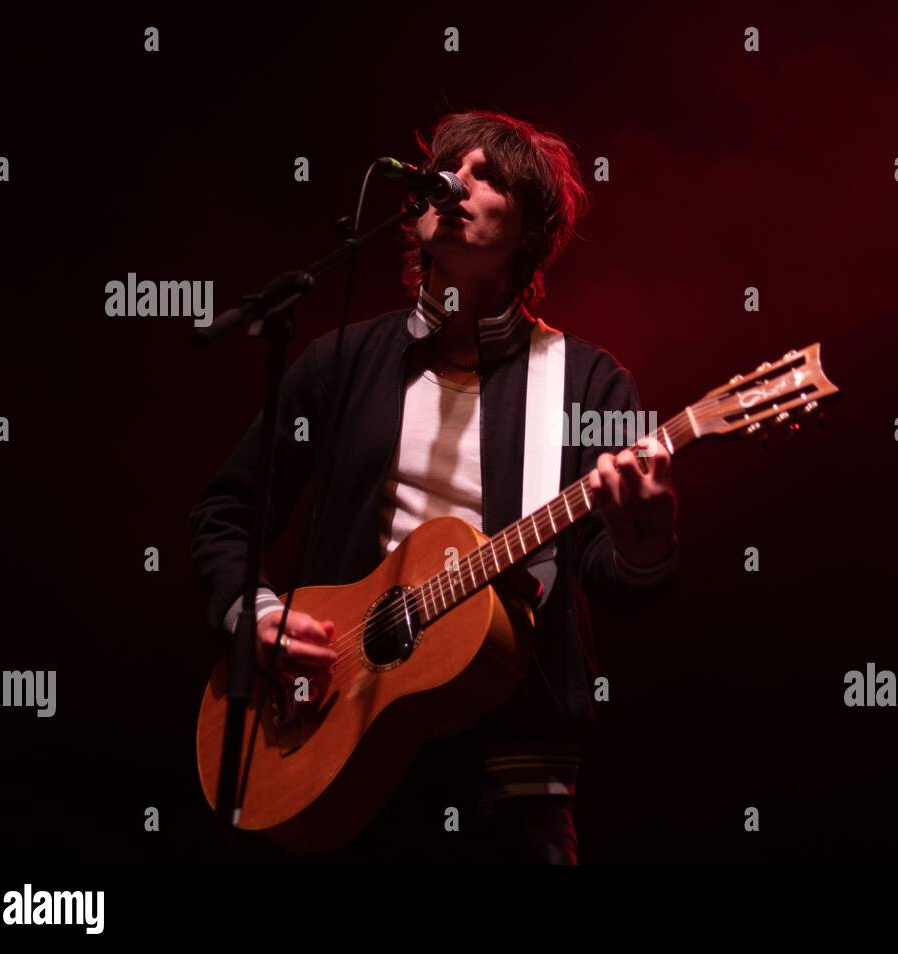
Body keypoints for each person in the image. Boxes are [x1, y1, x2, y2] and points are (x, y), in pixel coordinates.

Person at [189, 110, 679, 863]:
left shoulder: (586, 383)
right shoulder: (340, 361)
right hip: (335, 732)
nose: (458, 182)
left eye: (488, 177)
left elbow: (617, 584)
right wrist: (256, 616)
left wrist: (644, 539)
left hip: (511, 766)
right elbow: (227, 511)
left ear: (530, 231)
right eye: (450, 169)